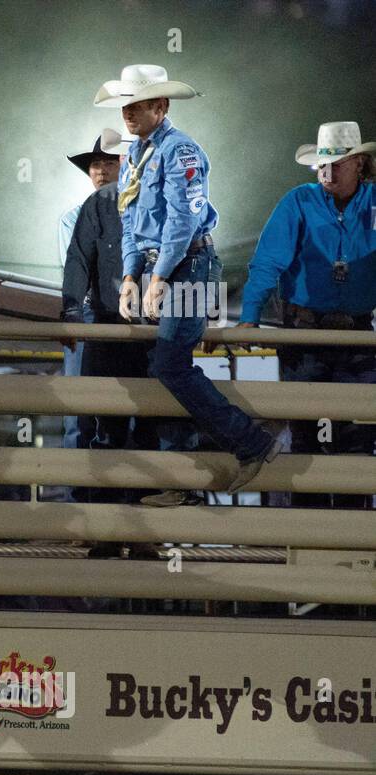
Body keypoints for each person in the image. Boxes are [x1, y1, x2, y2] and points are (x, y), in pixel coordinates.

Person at [96, 64, 279, 505]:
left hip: (190, 264)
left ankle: (249, 442)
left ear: (161, 106)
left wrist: (155, 277)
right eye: (126, 105)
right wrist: (128, 276)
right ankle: (182, 474)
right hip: (168, 266)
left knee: (169, 364)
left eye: (137, 105)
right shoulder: (137, 156)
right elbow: (132, 225)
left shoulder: (181, 152)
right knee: (162, 364)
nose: (128, 113)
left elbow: (183, 220)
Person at [239, 121, 376, 509]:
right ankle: (309, 538)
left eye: (338, 164)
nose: (328, 172)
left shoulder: (375, 205)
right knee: (309, 435)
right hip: (305, 334)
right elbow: (268, 261)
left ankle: (351, 543)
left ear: (359, 164)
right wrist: (249, 315)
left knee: (357, 438)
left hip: (356, 336)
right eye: (323, 165)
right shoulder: (299, 201)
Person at [61, 146, 163, 559]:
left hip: (150, 329)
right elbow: (79, 259)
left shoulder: (163, 199)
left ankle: (135, 531)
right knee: (110, 428)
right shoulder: (100, 205)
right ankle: (112, 527)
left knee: (145, 429)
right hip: (111, 326)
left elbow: (196, 252)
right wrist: (70, 311)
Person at [58, 129, 127, 461]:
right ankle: (81, 488)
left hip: (110, 312)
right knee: (80, 407)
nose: (100, 171)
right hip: (93, 312)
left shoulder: (94, 212)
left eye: (108, 163)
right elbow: (76, 266)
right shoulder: (75, 216)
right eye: (95, 165)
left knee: (110, 402)